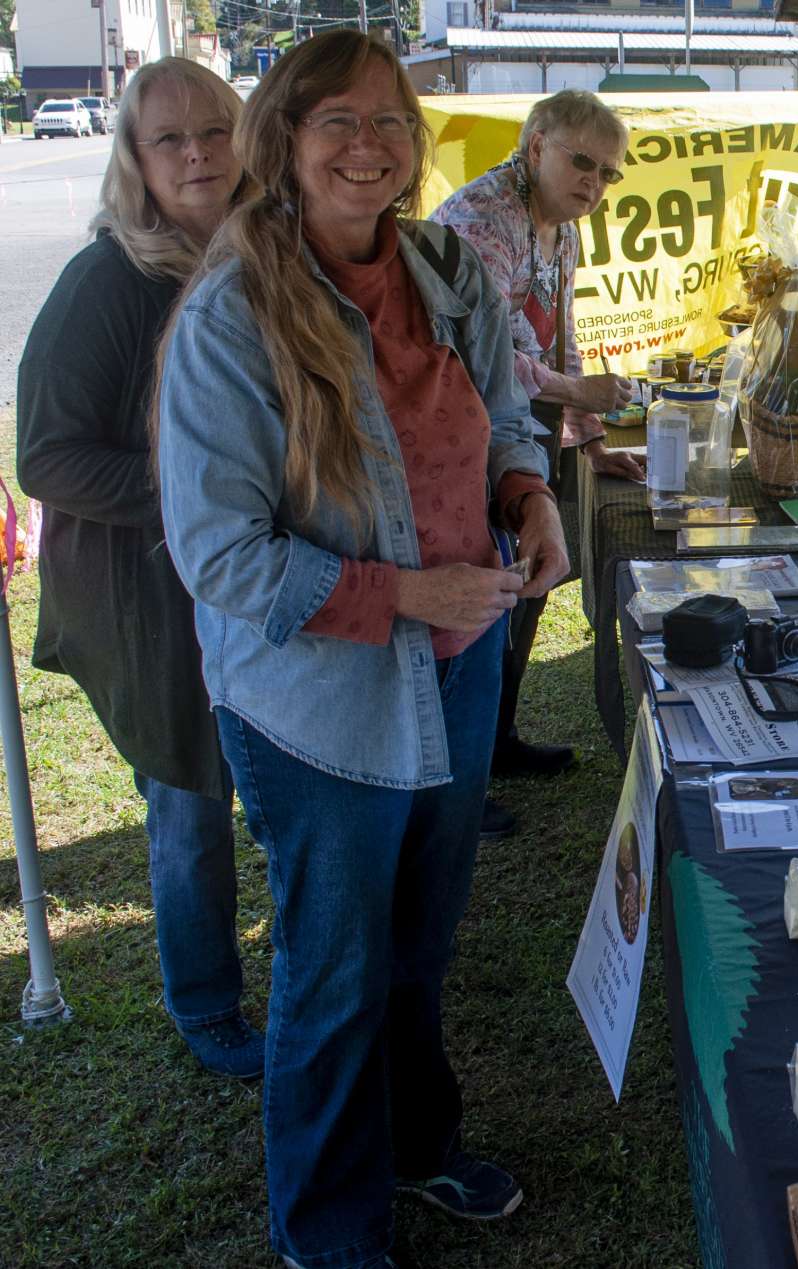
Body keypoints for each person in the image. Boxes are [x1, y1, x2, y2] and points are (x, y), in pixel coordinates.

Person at [155, 31, 566, 1266]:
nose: (367, 145)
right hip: (319, 702)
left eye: (390, 121)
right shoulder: (231, 312)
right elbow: (220, 555)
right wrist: (408, 594)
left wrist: (529, 495)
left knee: (417, 948)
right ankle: (326, 1228)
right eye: (336, 120)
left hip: (460, 661)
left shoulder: (445, 268)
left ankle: (414, 1146)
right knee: (333, 972)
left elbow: (503, 412)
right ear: (282, 137)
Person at [15, 58, 260, 1080]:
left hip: (235, 568)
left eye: (215, 130)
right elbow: (45, 457)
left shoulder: (259, 251)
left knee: (252, 769)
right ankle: (205, 1006)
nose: (198, 154)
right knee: (189, 798)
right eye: (171, 140)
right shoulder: (109, 277)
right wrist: (194, 492)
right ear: (135, 159)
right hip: (142, 590)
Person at [431, 89, 642, 834]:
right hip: (459, 440)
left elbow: (562, 342)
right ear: (534, 145)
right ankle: (454, 783)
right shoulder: (481, 222)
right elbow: (475, 361)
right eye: (580, 160)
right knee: (477, 608)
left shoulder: (563, 230)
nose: (593, 181)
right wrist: (571, 389)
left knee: (526, 590)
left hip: (524, 434)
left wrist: (588, 436)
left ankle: (497, 742)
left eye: (608, 172)